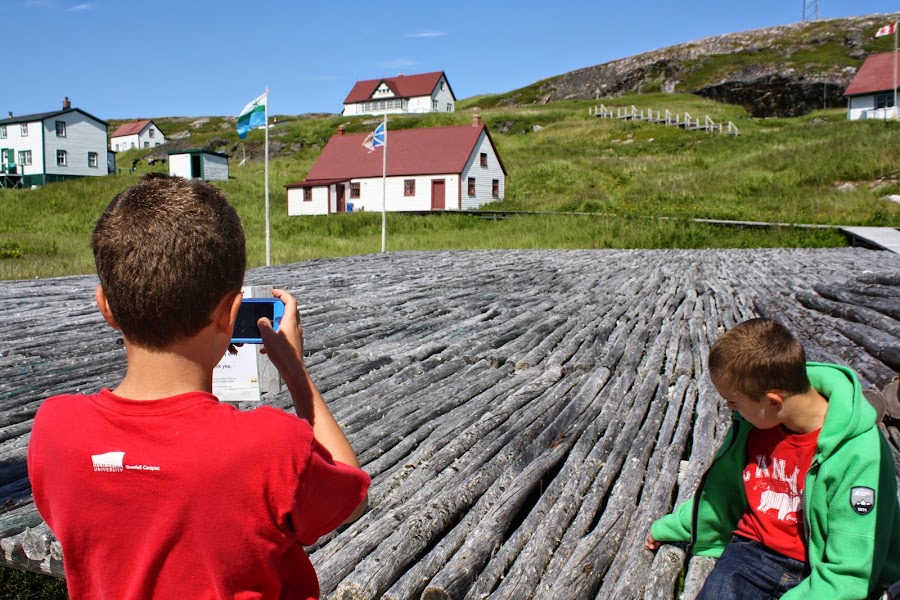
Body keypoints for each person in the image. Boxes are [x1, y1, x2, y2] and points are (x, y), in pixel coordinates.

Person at [27, 174, 370, 599]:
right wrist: (296, 372)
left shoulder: (55, 429)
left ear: (106, 308)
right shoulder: (272, 448)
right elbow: (352, 494)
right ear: (231, 313)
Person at [645, 318, 900, 599]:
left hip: (820, 568)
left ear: (773, 402)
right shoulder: (756, 426)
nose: (730, 408)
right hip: (750, 553)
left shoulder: (860, 451)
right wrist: (673, 526)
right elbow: (720, 496)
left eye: (733, 401)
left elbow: (849, 573)